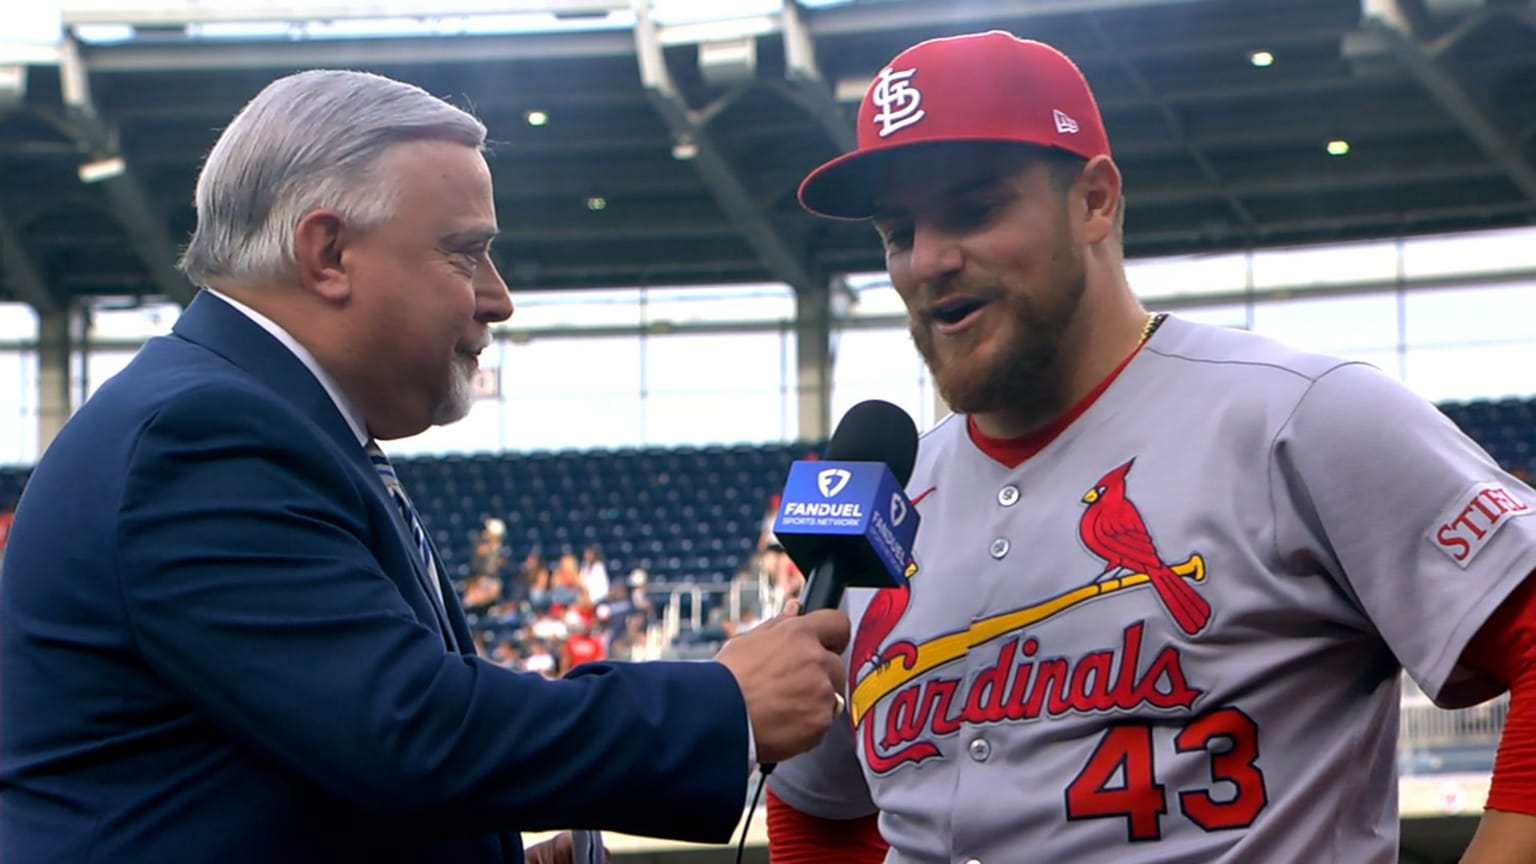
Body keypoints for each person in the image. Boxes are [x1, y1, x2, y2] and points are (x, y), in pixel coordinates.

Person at [0, 68, 852, 864]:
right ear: (327, 253)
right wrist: (722, 706)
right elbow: (408, 729)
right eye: (465, 251)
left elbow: (305, 768)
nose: (498, 295)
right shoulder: (201, 435)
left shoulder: (271, 423)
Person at [765, 30, 1536, 864]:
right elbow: (817, 808)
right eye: (895, 231)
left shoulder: (1299, 418)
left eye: (974, 209)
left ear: (1094, 199)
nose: (926, 260)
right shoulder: (882, 512)